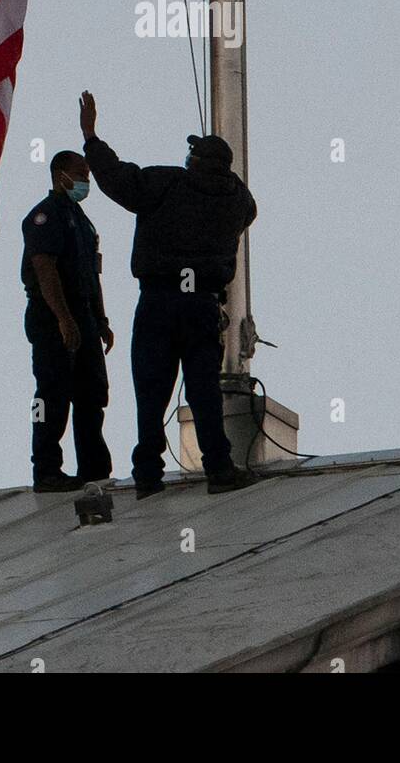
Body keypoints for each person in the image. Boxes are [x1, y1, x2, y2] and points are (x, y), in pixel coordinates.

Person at [78, 90, 257, 497]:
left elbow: (118, 178)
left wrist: (90, 138)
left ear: (195, 162)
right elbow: (249, 206)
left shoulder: (166, 184)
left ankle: (147, 474)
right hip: (201, 304)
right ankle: (219, 469)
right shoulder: (235, 201)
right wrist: (220, 178)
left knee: (152, 388)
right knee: (204, 389)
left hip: (160, 300)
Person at [20, 149, 114, 492]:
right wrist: (63, 318)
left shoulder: (83, 221)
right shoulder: (45, 216)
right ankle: (46, 469)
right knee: (53, 392)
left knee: (92, 394)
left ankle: (94, 468)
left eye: (87, 173)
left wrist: (100, 320)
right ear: (61, 174)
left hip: (85, 315)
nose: (86, 179)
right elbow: (45, 268)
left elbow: (92, 272)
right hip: (52, 316)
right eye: (80, 172)